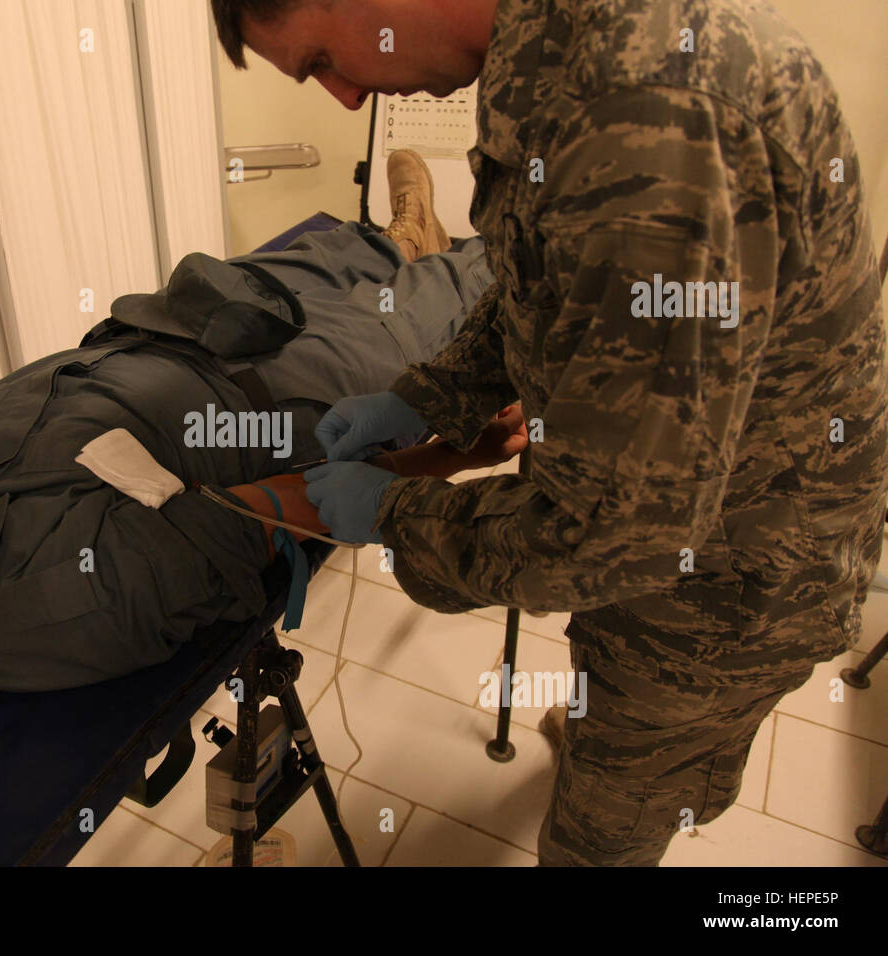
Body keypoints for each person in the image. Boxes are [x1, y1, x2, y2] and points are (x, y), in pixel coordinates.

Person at [213, 0, 888, 864]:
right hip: (681, 527)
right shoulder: (554, 54)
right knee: (607, 703)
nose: (345, 99)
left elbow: (615, 540)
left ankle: (620, 790)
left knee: (601, 837)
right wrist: (429, 396)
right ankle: (605, 736)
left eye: (318, 62)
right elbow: (556, 289)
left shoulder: (646, 119)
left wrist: (394, 515)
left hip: (733, 582)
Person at [0, 156, 525, 726]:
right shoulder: (68, 604)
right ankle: (447, 255)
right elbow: (297, 505)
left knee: (352, 251)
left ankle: (400, 238)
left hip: (191, 318)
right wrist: (452, 451)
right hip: (295, 387)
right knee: (493, 276)